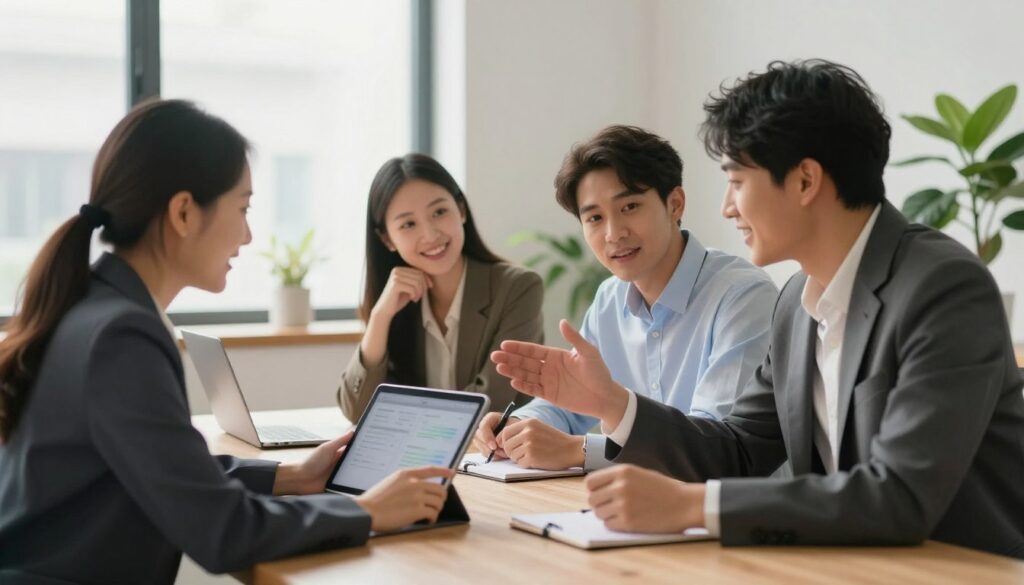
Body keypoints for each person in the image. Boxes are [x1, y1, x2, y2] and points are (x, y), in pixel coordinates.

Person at [491, 60, 1024, 558]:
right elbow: (740, 452)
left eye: (737, 182)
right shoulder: (797, 301)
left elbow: (899, 496)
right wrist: (613, 403)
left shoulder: (942, 287)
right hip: (839, 560)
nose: (726, 207)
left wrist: (691, 507)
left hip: (959, 566)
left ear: (805, 181)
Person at [0, 100, 454, 584]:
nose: (248, 234)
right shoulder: (122, 337)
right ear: (183, 213)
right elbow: (222, 531)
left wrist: (290, 478)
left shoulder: (91, 306)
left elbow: (162, 471)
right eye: (243, 207)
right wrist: (367, 512)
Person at [473, 125, 777, 471]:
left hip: (728, 513)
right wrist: (517, 429)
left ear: (675, 204)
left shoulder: (742, 297)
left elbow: (715, 446)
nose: (614, 233)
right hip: (641, 506)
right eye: (594, 218)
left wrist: (582, 450)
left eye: (630, 206)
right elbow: (568, 406)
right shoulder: (609, 299)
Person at [337, 154, 543, 421]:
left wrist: (405, 417)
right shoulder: (398, 303)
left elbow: (490, 404)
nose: (431, 235)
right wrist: (380, 317)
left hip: (494, 458)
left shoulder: (517, 288)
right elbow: (356, 411)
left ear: (461, 210)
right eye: (408, 224)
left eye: (439, 212)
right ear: (387, 239)